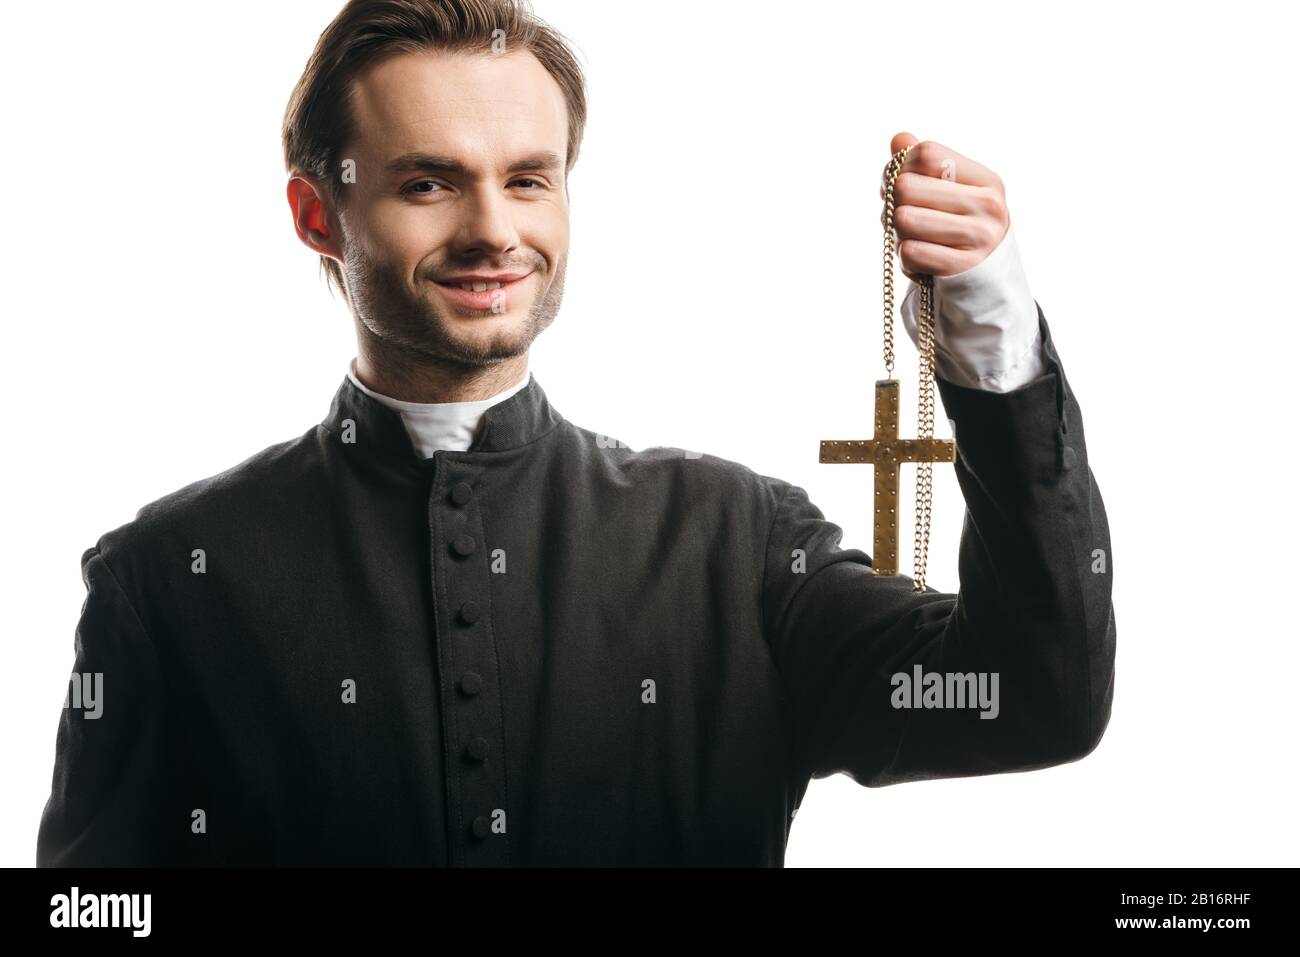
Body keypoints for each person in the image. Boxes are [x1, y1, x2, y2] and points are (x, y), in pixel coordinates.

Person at [36, 0, 1114, 867]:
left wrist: (987, 325)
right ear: (319, 215)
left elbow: (1035, 701)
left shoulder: (735, 543)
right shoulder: (165, 578)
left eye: (527, 179)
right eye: (427, 182)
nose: (494, 231)